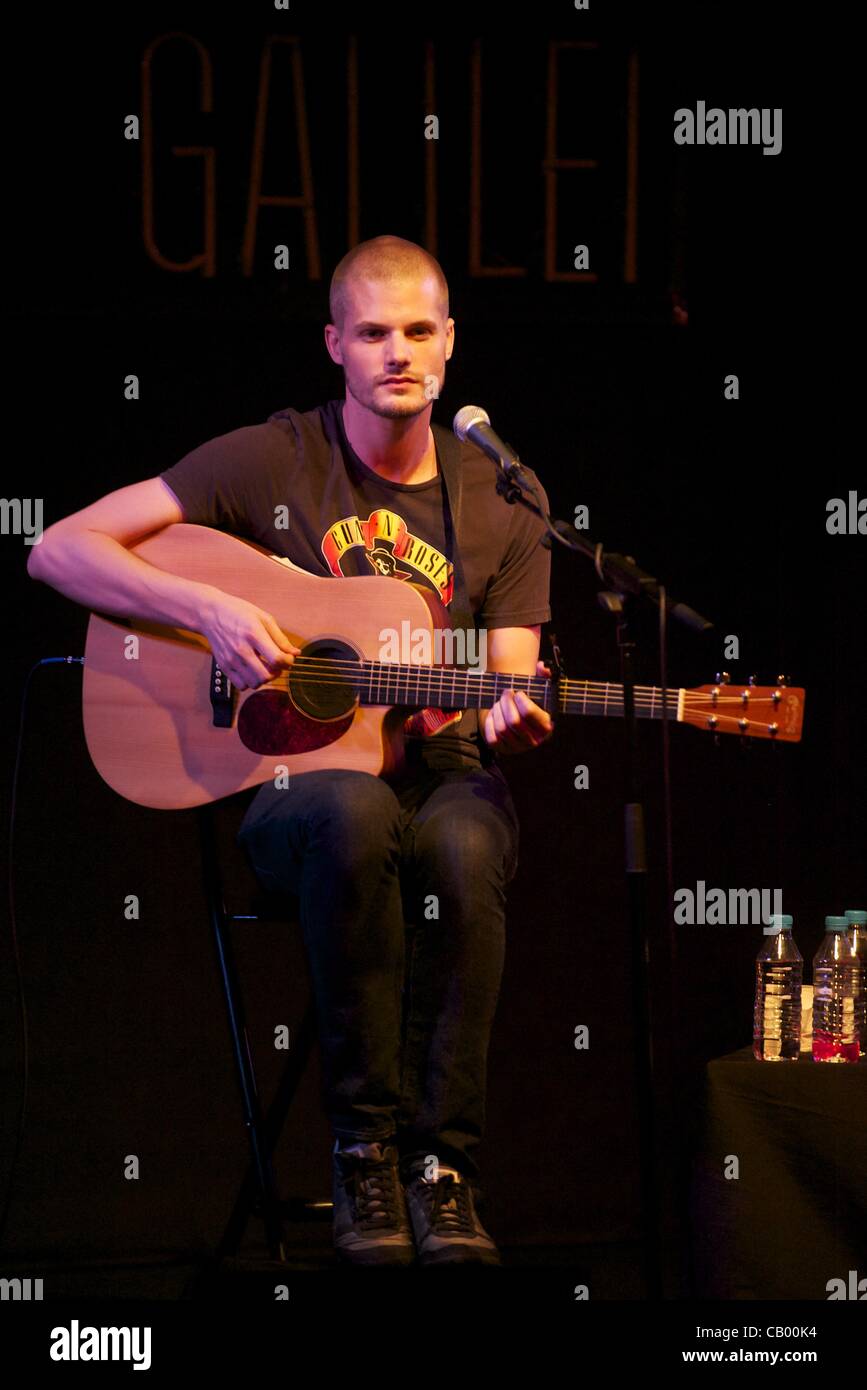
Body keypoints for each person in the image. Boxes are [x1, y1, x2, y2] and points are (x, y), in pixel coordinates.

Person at [27, 235, 554, 1269]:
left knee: (463, 848)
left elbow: (510, 675)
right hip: (296, 784)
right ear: (334, 344)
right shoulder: (272, 459)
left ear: (450, 342)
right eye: (373, 332)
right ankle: (364, 1153)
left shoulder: (503, 496)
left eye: (418, 331)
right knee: (353, 813)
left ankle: (443, 1168)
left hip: (441, 775)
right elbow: (58, 548)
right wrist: (207, 608)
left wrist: (515, 712)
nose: (397, 352)